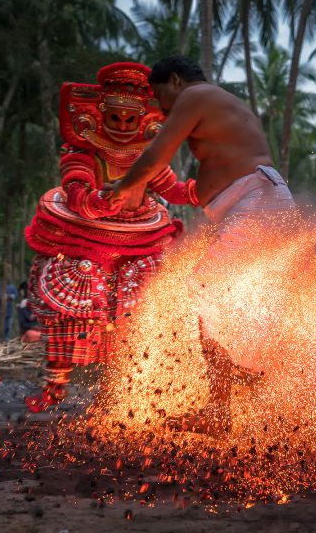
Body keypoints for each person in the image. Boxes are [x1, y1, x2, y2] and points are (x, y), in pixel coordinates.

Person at [104, 55, 296, 435]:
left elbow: (156, 155)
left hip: (257, 202)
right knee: (231, 296)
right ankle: (245, 373)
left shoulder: (195, 95)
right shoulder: (215, 102)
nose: (161, 109)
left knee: (205, 285)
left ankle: (229, 396)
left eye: (161, 98)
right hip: (258, 201)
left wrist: (124, 186)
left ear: (175, 80)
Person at [24, 62, 196, 412]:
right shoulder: (83, 151)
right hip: (84, 237)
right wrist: (99, 201)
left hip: (139, 236)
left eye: (129, 120)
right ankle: (55, 384)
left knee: (137, 309)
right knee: (72, 299)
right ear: (101, 116)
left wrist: (202, 190)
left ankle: (120, 387)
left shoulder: (149, 156)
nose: (121, 126)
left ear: (141, 120)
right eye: (115, 118)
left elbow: (173, 190)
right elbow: (77, 192)